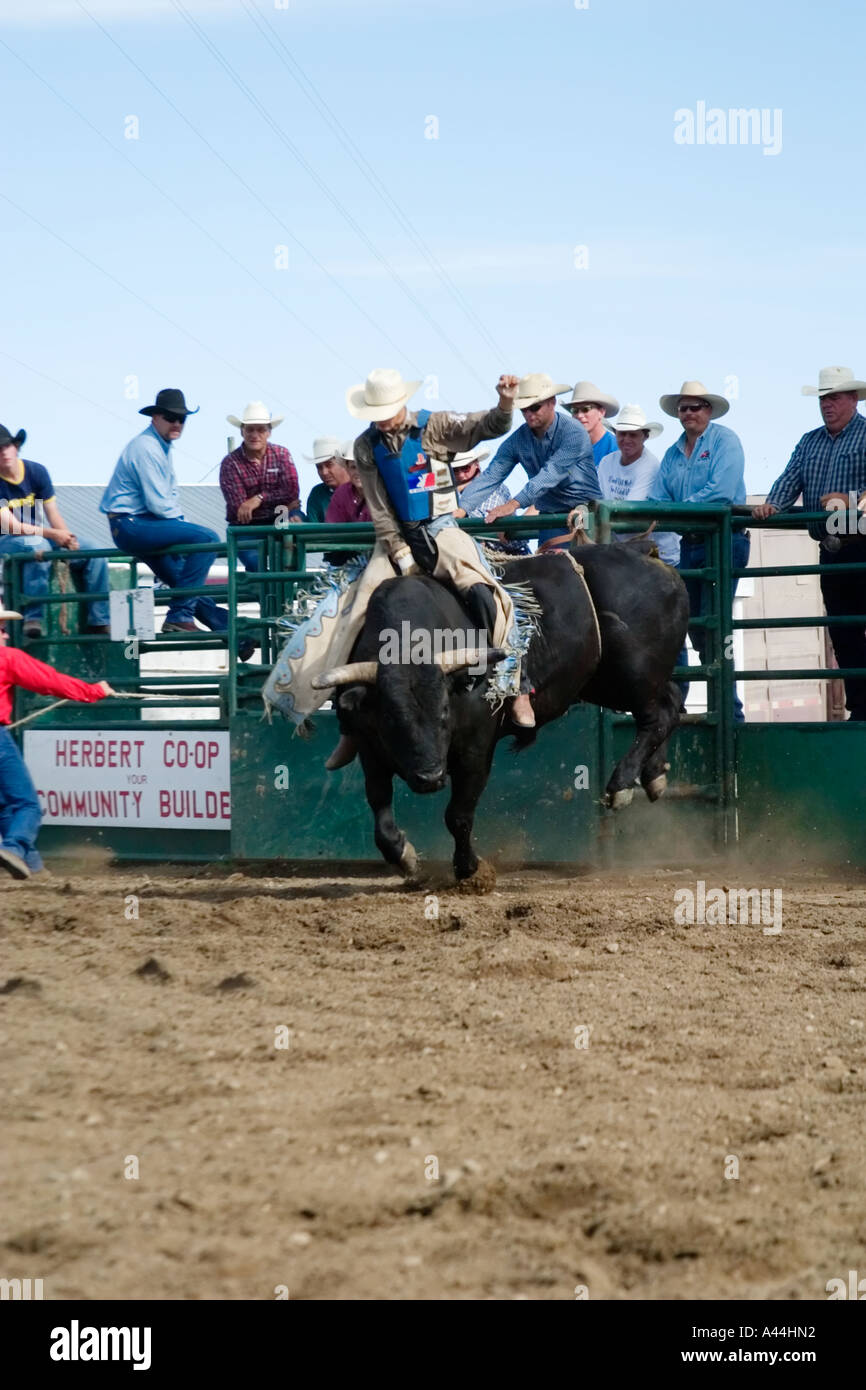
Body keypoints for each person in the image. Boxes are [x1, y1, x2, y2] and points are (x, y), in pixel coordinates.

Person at [263, 368, 535, 767]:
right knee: (351, 611)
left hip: (442, 529)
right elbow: (378, 507)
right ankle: (349, 726)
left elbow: (487, 426)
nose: (382, 418)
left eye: (387, 410)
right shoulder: (365, 446)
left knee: (488, 595)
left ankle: (516, 686)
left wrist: (506, 403)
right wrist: (401, 555)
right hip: (394, 541)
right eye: (376, 412)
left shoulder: (436, 426)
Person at [100, 389, 254, 660]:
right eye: (171, 417)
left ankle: (234, 635)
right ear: (156, 417)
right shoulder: (147, 448)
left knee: (184, 583)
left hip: (137, 525)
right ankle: (179, 617)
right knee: (206, 539)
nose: (178, 424)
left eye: (182, 419)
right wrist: (184, 533)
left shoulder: (157, 445)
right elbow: (160, 503)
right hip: (133, 524)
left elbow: (164, 501)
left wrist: (180, 532)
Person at [754, 365, 866, 721]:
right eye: (823, 398)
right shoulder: (809, 441)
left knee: (851, 628)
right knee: (843, 631)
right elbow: (789, 479)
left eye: (833, 397)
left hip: (861, 543)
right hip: (831, 549)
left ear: (852, 399)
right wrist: (773, 504)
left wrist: (852, 502)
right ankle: (860, 708)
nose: (827, 404)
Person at [649, 379, 748, 721]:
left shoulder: (725, 441)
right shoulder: (673, 453)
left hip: (723, 541)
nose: (689, 413)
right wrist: (667, 512)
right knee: (698, 626)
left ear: (708, 410)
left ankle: (728, 712)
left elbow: (721, 492)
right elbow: (657, 500)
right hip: (691, 544)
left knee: (713, 626)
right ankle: (719, 709)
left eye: (696, 407)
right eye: (684, 408)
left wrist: (677, 511)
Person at [0, 606, 114, 879]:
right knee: (27, 805)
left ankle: (34, 868)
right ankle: (14, 848)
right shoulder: (6, 657)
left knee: (6, 804)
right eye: (1, 629)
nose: (4, 635)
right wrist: (94, 691)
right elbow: (50, 681)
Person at [458, 372, 602, 547]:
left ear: (552, 402)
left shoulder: (574, 432)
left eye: (534, 407)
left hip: (586, 513)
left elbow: (551, 473)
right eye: (524, 409)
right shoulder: (517, 440)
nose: (528, 414)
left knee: (582, 564)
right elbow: (492, 475)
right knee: (550, 568)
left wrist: (513, 505)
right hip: (550, 516)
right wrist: (461, 508)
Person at [0, 422, 110, 639]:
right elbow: (11, 525)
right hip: (7, 541)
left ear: (16, 446)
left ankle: (100, 620)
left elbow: (53, 513)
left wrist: (67, 538)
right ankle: (34, 617)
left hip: (39, 536)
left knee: (94, 551)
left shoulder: (36, 472)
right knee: (37, 545)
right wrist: (54, 535)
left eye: (7, 446)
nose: (4, 452)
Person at [220, 402, 302, 571]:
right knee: (255, 565)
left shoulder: (282, 454)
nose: (255, 435)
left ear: (269, 432)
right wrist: (284, 504)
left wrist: (258, 499)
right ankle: (273, 590)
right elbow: (240, 510)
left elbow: (292, 490)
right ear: (242, 431)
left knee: (293, 535)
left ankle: (288, 583)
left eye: (261, 429)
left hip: (278, 518)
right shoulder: (230, 463)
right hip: (248, 527)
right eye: (250, 429)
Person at [597, 404, 679, 566]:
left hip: (658, 556)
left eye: (633, 435)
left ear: (645, 436)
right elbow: (597, 500)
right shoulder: (607, 462)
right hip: (629, 553)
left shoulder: (650, 466)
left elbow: (628, 510)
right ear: (615, 434)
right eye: (622, 434)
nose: (626, 439)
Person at [447, 447, 529, 557]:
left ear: (476, 464)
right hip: (481, 554)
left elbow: (487, 524)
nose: (461, 475)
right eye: (455, 470)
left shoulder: (495, 488)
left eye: (465, 468)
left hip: (507, 555)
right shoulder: (453, 496)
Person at [323, 445, 371, 565]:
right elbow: (332, 530)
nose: (358, 472)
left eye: (363, 466)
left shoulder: (382, 491)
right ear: (348, 470)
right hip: (349, 557)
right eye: (354, 467)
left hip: (380, 553)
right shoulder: (341, 493)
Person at [562, 381, 620, 466]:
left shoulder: (616, 450)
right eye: (575, 411)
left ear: (601, 412)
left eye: (586, 409)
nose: (579, 415)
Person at [304, 438, 350, 523]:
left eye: (329, 465)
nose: (324, 472)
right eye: (319, 467)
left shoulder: (360, 489)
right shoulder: (317, 494)